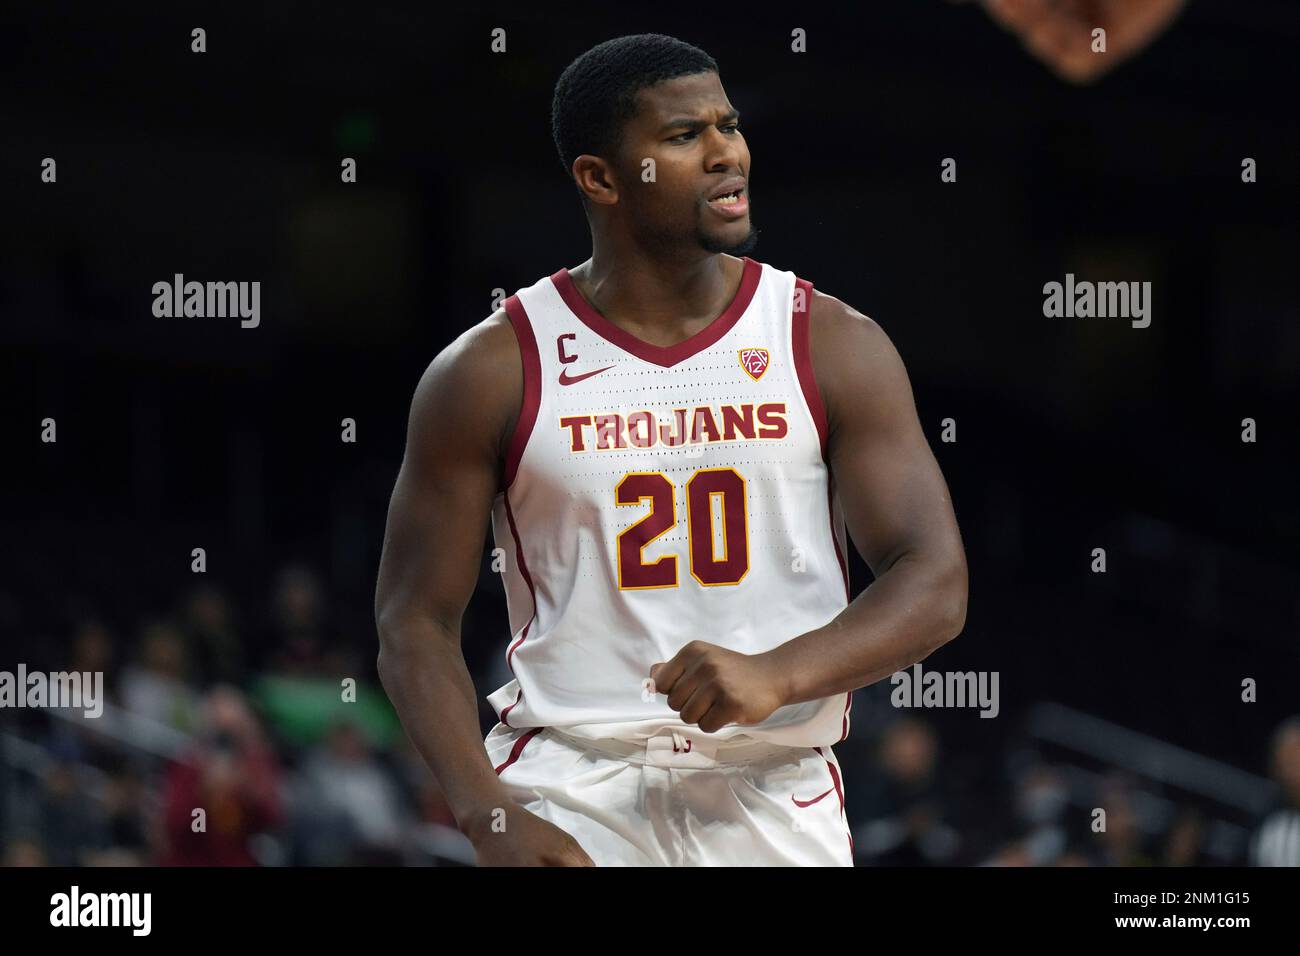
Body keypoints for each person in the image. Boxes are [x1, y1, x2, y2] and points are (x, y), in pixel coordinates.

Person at [374, 33, 967, 866]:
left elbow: (935, 582)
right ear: (601, 177)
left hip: (778, 791)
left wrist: (778, 673)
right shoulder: (491, 368)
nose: (727, 151)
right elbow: (413, 620)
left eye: (729, 125)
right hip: (574, 789)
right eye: (685, 136)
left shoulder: (830, 341)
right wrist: (485, 814)